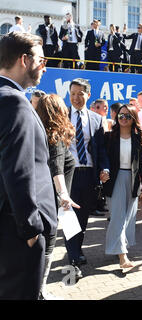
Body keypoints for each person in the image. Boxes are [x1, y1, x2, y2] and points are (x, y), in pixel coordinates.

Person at [0, 32, 57, 300]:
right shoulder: (14, 102)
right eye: (41, 59)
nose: (44, 66)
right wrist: (32, 229)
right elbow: (18, 170)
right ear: (24, 60)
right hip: (19, 234)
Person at [66, 78, 110, 280]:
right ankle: (74, 254)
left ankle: (76, 248)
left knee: (83, 216)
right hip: (68, 172)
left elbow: (101, 149)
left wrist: (105, 168)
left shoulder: (96, 119)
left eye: (80, 94)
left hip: (89, 172)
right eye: (73, 93)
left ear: (88, 95)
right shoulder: (61, 115)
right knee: (69, 215)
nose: (76, 98)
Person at [35, 94, 77, 300]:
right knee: (48, 245)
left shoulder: (38, 131)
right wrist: (64, 195)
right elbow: (56, 168)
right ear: (59, 111)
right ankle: (39, 292)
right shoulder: (55, 135)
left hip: (39, 199)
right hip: (50, 203)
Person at [103, 105, 142, 269]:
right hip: (114, 181)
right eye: (121, 116)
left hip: (132, 180)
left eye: (128, 117)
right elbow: (103, 158)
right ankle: (122, 256)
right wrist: (102, 172)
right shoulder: (109, 137)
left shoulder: (138, 139)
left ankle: (118, 246)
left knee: (128, 218)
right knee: (118, 217)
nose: (123, 119)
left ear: (133, 119)